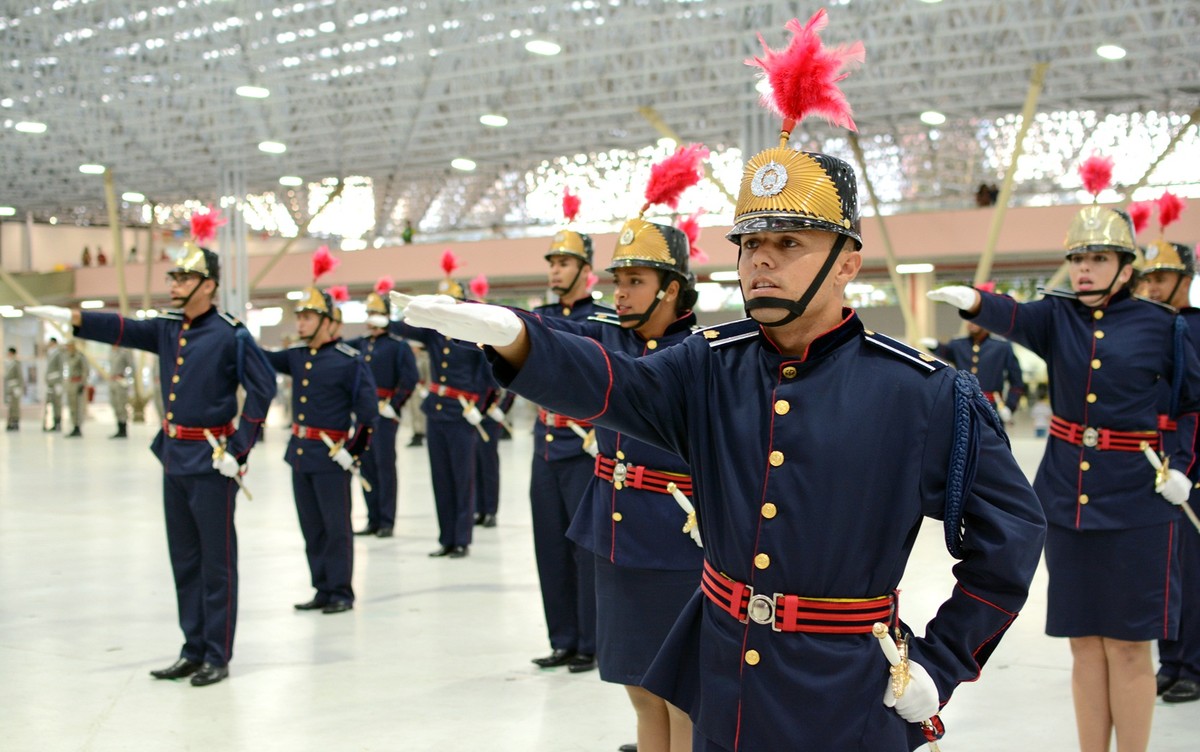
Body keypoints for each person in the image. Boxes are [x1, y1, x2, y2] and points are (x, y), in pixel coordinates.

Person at [395, 12, 1046, 750]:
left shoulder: (921, 394)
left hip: (842, 694)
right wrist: (517, 338)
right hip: (723, 678)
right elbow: (615, 384)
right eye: (751, 243)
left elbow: (1009, 540)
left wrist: (943, 659)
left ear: (848, 263)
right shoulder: (709, 363)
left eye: (788, 242)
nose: (760, 260)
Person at [929, 165, 1200, 750]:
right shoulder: (1058, 317)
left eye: (1097, 258)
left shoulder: (1163, 327)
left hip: (1139, 503)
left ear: (1125, 267)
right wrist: (974, 300)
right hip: (1068, 502)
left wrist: (1182, 465)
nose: (1083, 269)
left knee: (1129, 647)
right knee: (1084, 644)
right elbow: (1013, 315)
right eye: (1077, 258)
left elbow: (1190, 405)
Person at [27, 210, 277, 687]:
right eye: (173, 277)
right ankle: (192, 648)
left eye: (183, 277)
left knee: (216, 564)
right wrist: (73, 319)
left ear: (208, 285)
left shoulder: (231, 334)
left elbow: (264, 389)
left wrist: (240, 449)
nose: (174, 284)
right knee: (184, 561)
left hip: (213, 463)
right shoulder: (168, 328)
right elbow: (122, 328)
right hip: (174, 459)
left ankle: (217, 654)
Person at [539, 165, 708, 751]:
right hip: (613, 531)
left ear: (671, 287)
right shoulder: (607, 339)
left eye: (635, 280)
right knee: (638, 686)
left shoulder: (704, 355)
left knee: (681, 693)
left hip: (676, 537)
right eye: (618, 280)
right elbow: (551, 344)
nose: (620, 292)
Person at [265, 254, 378, 613]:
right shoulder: (297, 356)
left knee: (336, 528)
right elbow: (262, 358)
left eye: (308, 317)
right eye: (299, 317)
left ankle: (341, 591)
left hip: (332, 458)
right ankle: (322, 588)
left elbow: (368, 414)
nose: (300, 323)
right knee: (311, 528)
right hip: (301, 455)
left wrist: (353, 451)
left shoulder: (348, 360)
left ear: (328, 322)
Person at [527, 192, 611, 672]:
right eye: (553, 263)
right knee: (550, 546)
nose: (556, 271)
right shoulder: (542, 317)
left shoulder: (602, 321)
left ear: (585, 269)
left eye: (564, 263)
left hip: (584, 447)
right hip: (545, 444)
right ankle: (561, 639)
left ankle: (590, 642)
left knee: (585, 549)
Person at [1131, 192, 1200, 704]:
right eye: (1148, 278)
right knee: (1160, 573)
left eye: (1162, 278)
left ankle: (1192, 663)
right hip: (1149, 464)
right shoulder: (1145, 329)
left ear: (1185, 279)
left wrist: (1188, 470)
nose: (1152, 286)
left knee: (1191, 574)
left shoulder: (1194, 327)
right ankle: (1171, 660)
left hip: (1189, 468)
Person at [391, 251, 494, 558]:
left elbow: (489, 378)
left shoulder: (475, 335)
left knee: (463, 479)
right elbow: (402, 328)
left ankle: (461, 539)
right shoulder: (435, 335)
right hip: (436, 412)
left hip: (462, 414)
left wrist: (481, 408)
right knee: (441, 479)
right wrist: (407, 307)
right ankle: (446, 538)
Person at [346, 278, 419, 538]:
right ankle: (372, 518)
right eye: (369, 313)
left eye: (376, 313)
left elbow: (410, 378)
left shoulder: (397, 346)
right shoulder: (361, 343)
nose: (371, 319)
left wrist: (395, 404)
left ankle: (387, 520)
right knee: (366, 465)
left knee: (384, 466)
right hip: (363, 414)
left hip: (384, 415)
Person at [922, 313, 1025, 423]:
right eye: (969, 320)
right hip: (962, 405)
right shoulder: (958, 344)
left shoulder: (1002, 347)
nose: (972, 323)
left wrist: (1010, 406)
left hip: (990, 407)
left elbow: (1016, 381)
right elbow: (947, 352)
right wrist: (936, 346)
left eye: (976, 320)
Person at [62, 340, 89, 437]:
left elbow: (85, 371)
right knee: (72, 406)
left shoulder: (80, 357)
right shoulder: (68, 357)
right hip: (71, 384)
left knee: (78, 407)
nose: (68, 348)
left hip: (78, 383)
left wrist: (82, 384)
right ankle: (74, 425)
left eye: (69, 346)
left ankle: (78, 427)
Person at [108, 344, 134, 438]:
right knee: (114, 404)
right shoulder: (111, 351)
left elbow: (131, 367)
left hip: (120, 381)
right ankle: (119, 427)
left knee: (121, 405)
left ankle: (123, 429)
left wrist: (128, 380)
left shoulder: (124, 352)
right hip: (112, 381)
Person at [406, 341, 428, 447]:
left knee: (420, 414)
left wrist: (426, 389)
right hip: (413, 390)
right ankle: (416, 432)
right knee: (414, 413)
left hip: (421, 390)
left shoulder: (425, 359)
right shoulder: (413, 358)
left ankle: (420, 433)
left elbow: (428, 375)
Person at [43, 337, 64, 431]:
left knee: (57, 403)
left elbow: (61, 368)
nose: (49, 345)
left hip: (56, 382)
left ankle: (57, 423)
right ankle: (49, 422)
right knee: (49, 403)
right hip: (50, 382)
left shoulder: (58, 354)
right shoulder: (49, 353)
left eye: (51, 343)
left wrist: (60, 383)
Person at [4, 347, 22, 431]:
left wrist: (18, 387)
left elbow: (20, 377)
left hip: (15, 387)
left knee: (15, 406)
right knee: (11, 406)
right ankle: (10, 422)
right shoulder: (8, 363)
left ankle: (15, 422)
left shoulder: (16, 363)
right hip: (9, 388)